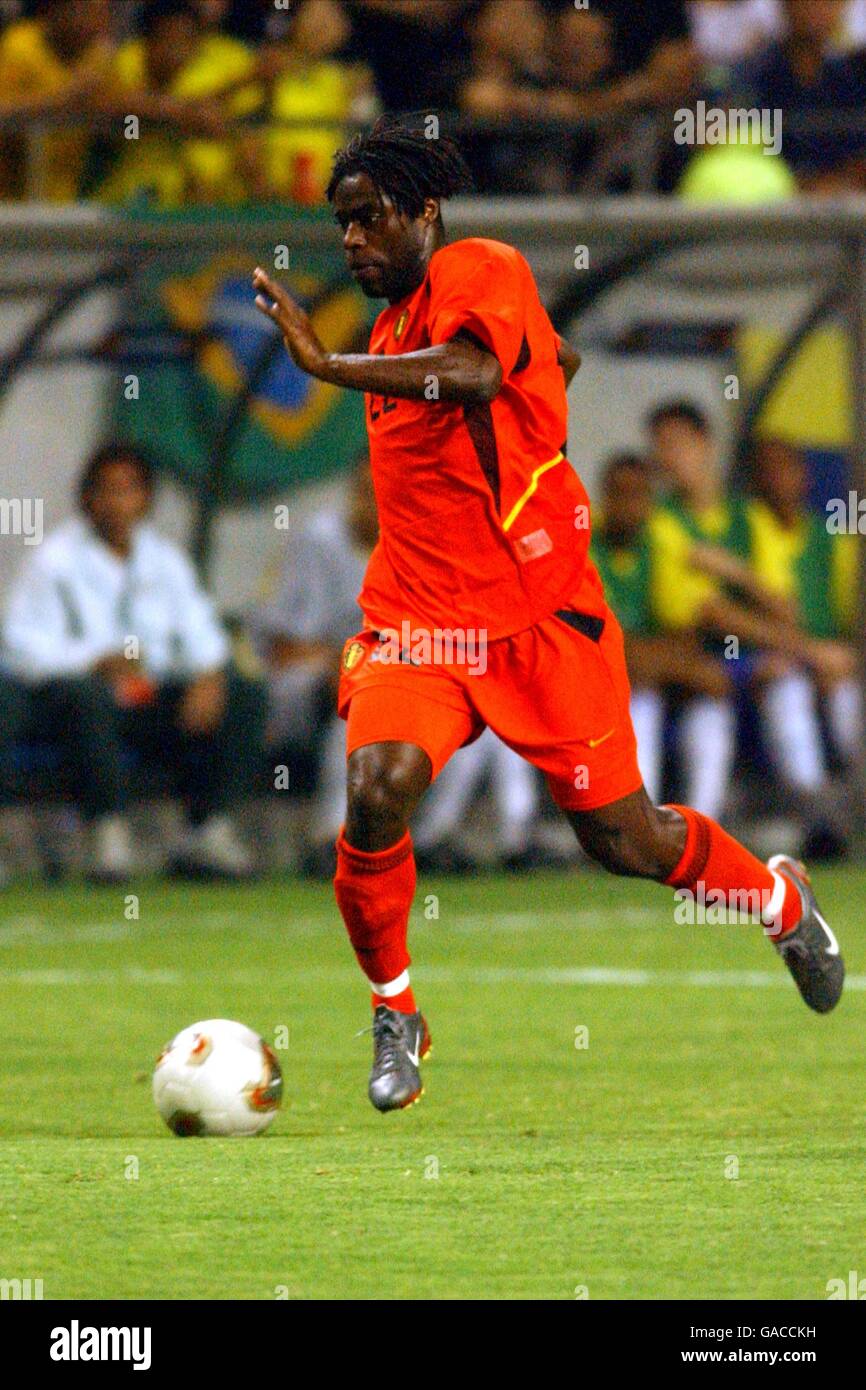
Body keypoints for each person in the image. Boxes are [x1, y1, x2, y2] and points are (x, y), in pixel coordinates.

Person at [251, 118, 844, 1115]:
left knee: (626, 842)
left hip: (540, 621)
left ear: (422, 211)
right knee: (375, 785)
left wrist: (324, 367)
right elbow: (542, 364)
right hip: (419, 625)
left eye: (367, 219)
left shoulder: (479, 267)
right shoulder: (393, 332)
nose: (350, 241)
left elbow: (484, 370)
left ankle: (780, 902)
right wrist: (534, 404)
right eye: (340, 225)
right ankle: (396, 1009)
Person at [0, 442, 265, 881]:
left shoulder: (164, 559)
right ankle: (108, 833)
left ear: (145, 498)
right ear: (88, 498)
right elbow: (22, 646)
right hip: (83, 705)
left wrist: (210, 674)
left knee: (242, 692)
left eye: (129, 490)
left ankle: (207, 830)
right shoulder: (55, 560)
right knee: (84, 698)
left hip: (152, 699)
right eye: (107, 491)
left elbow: (202, 630)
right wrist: (92, 661)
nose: (117, 503)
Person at [591, 451, 735, 816]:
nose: (627, 506)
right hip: (591, 689)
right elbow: (603, 647)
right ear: (603, 497)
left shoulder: (662, 542)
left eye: (638, 495)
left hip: (655, 678)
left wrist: (664, 662)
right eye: (618, 494)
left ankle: (704, 824)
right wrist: (667, 663)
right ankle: (640, 819)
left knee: (710, 705)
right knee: (640, 692)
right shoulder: (583, 543)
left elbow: (686, 632)